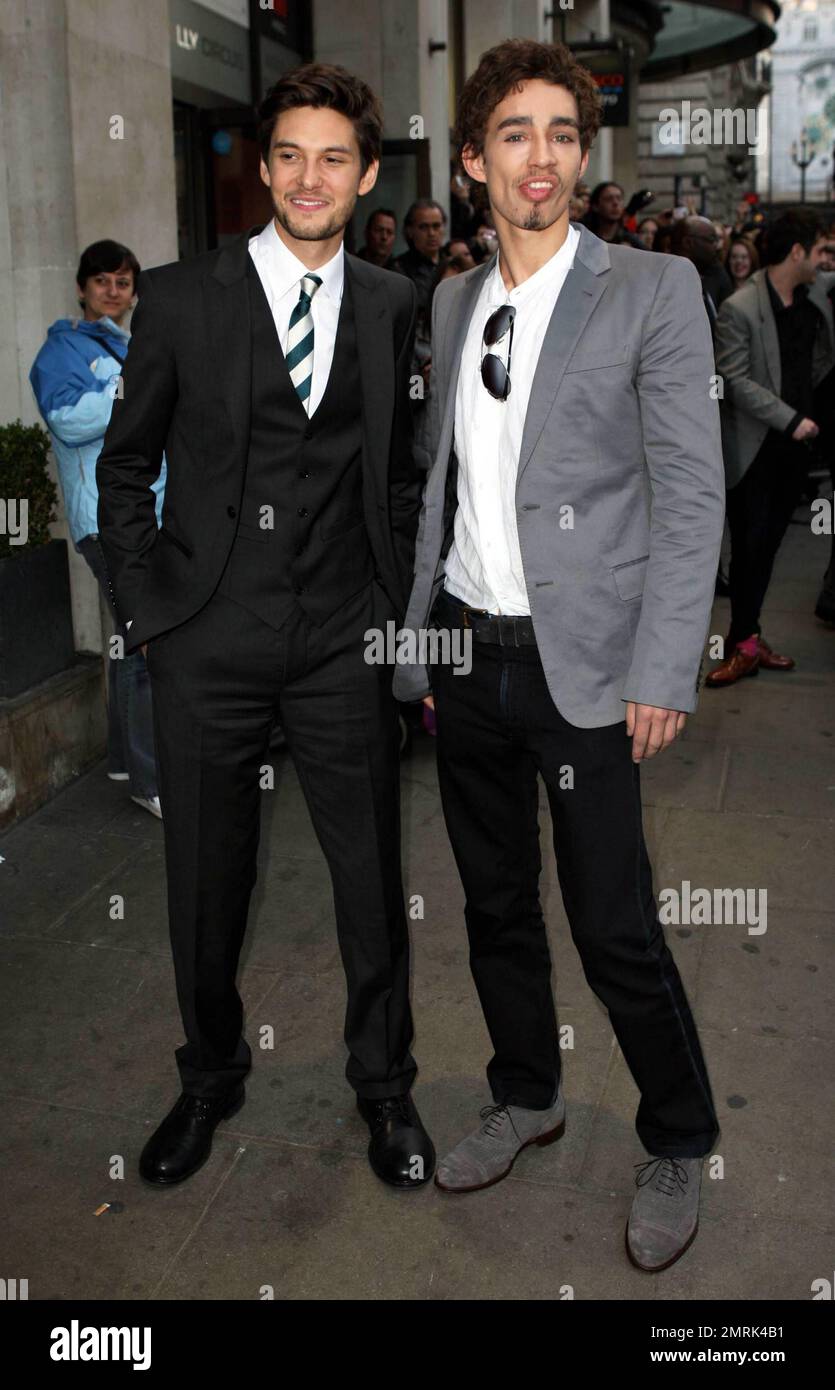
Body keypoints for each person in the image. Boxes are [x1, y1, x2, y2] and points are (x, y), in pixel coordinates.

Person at [393, 36, 726, 1273]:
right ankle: (525, 1092)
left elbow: (691, 494)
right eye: (517, 135)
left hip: (587, 668)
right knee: (491, 905)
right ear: (473, 159)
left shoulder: (648, 290)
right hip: (472, 658)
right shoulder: (448, 296)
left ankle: (680, 1133)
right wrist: (421, 650)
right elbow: (441, 487)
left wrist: (662, 667)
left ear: (581, 158)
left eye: (564, 135)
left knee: (612, 920)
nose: (544, 159)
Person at [96, 62, 434, 1191]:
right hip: (209, 642)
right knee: (205, 879)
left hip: (343, 640)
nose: (308, 176)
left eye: (333, 156)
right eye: (287, 153)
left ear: (366, 173)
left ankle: (384, 1091)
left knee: (369, 881)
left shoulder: (392, 304)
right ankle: (208, 1077)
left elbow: (397, 475)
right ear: (261, 167)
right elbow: (127, 460)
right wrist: (149, 611)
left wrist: (390, 608)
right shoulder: (182, 296)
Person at [29, 239, 165, 819]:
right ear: (82, 288)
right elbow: (65, 419)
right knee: (145, 641)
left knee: (127, 636)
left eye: (124, 282)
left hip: (143, 513)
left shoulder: (131, 345)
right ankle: (150, 778)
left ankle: (122, 757)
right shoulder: (61, 350)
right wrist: (125, 390)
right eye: (103, 281)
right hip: (106, 520)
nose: (114, 291)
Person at [709, 209, 835, 685]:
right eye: (821, 250)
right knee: (749, 548)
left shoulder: (814, 295)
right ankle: (742, 643)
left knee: (770, 548)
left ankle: (749, 637)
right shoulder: (741, 308)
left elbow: (820, 356)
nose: (826, 260)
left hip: (797, 448)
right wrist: (792, 418)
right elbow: (735, 381)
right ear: (798, 252)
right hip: (756, 448)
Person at [670, 215, 734, 335]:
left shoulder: (715, 273)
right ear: (688, 242)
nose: (717, 245)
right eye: (711, 239)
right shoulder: (666, 282)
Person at [391, 198, 447, 324]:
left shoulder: (450, 263)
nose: (431, 233)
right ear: (410, 231)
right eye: (423, 227)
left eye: (436, 226)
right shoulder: (399, 269)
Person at [582, 181, 645, 248]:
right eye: (609, 199)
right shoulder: (585, 238)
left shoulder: (631, 241)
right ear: (596, 206)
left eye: (619, 198)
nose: (615, 203)